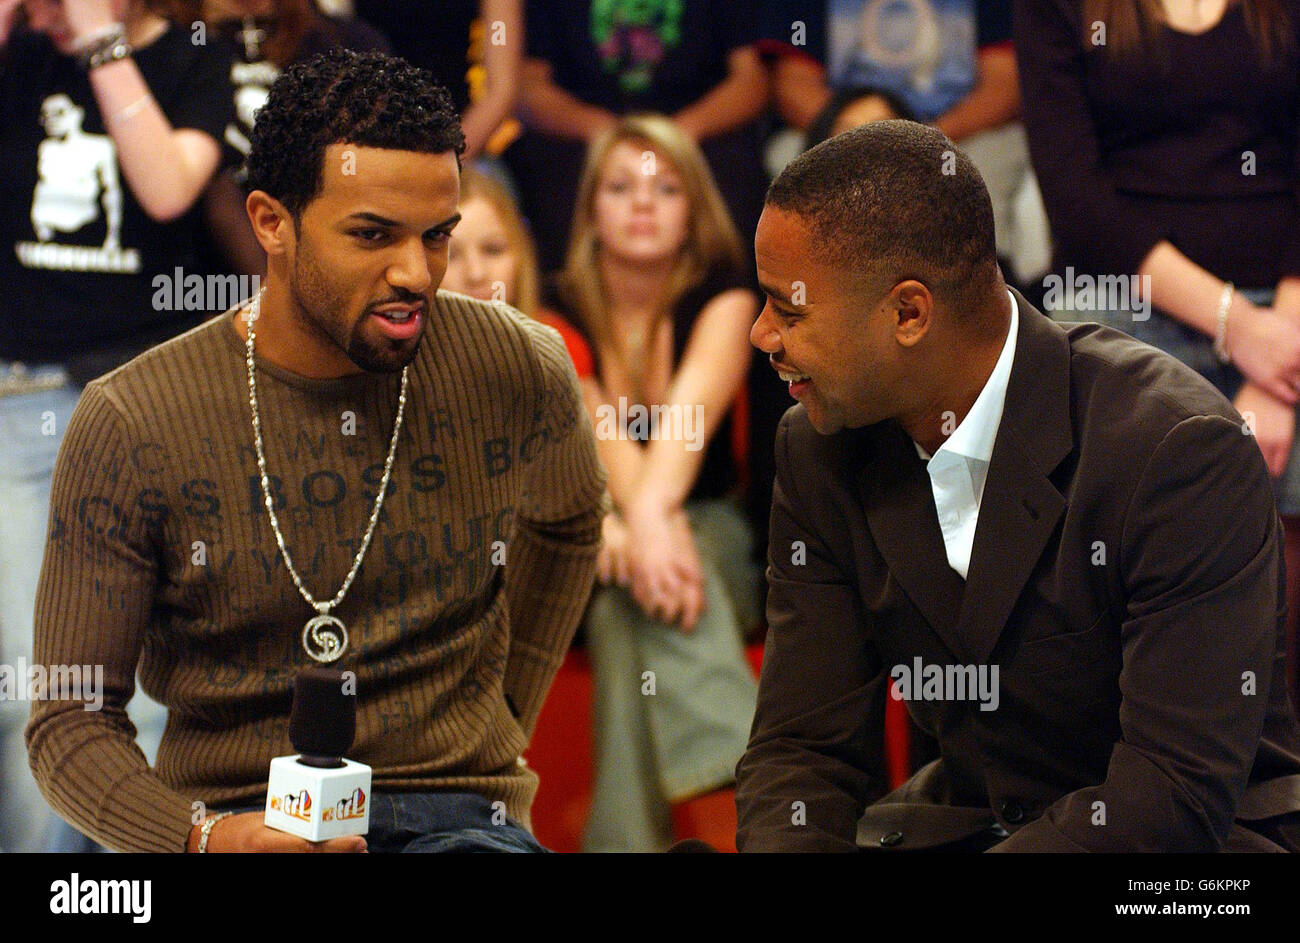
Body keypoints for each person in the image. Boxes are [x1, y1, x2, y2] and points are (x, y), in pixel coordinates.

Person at [26, 48, 607, 854]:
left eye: (438, 235)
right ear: (271, 222)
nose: (416, 272)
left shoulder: (515, 366)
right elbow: (69, 719)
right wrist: (206, 840)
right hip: (233, 816)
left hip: (460, 819)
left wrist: (505, 711)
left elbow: (572, 518)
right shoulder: (133, 418)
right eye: (372, 235)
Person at [736, 119, 1300, 852]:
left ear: (909, 312)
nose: (761, 335)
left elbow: (1172, 796)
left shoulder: (1177, 450)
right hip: (973, 824)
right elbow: (801, 753)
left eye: (789, 308)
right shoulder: (817, 449)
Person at [1015, 0, 1300, 709]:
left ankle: (1272, 769)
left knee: (1285, 506)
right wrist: (1239, 327)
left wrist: (1279, 362)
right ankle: (1131, 769)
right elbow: (1075, 198)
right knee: (1106, 510)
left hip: (1288, 306)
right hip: (1116, 292)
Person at [0, 0, 233, 853]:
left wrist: (101, 42)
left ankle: (121, 884)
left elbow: (168, 186)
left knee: (133, 693)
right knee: (29, 693)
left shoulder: (195, 57)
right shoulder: (20, 57)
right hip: (18, 400)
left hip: (138, 407)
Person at [546, 115, 761, 853]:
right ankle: (748, 812)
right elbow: (610, 456)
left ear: (694, 208)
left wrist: (636, 528)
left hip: (721, 534)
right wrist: (624, 528)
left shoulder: (727, 296)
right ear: (590, 210)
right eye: (621, 186)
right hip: (600, 543)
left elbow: (679, 447)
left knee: (627, 601)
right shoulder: (556, 310)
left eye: (666, 187)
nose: (643, 202)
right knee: (621, 593)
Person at [507, 0, 769, 274]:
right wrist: (609, 134)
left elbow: (751, 81)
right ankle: (563, 301)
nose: (642, 205)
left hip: (696, 133)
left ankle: (723, 287)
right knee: (546, 171)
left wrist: (680, 133)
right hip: (584, 134)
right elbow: (529, 91)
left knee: (739, 170)